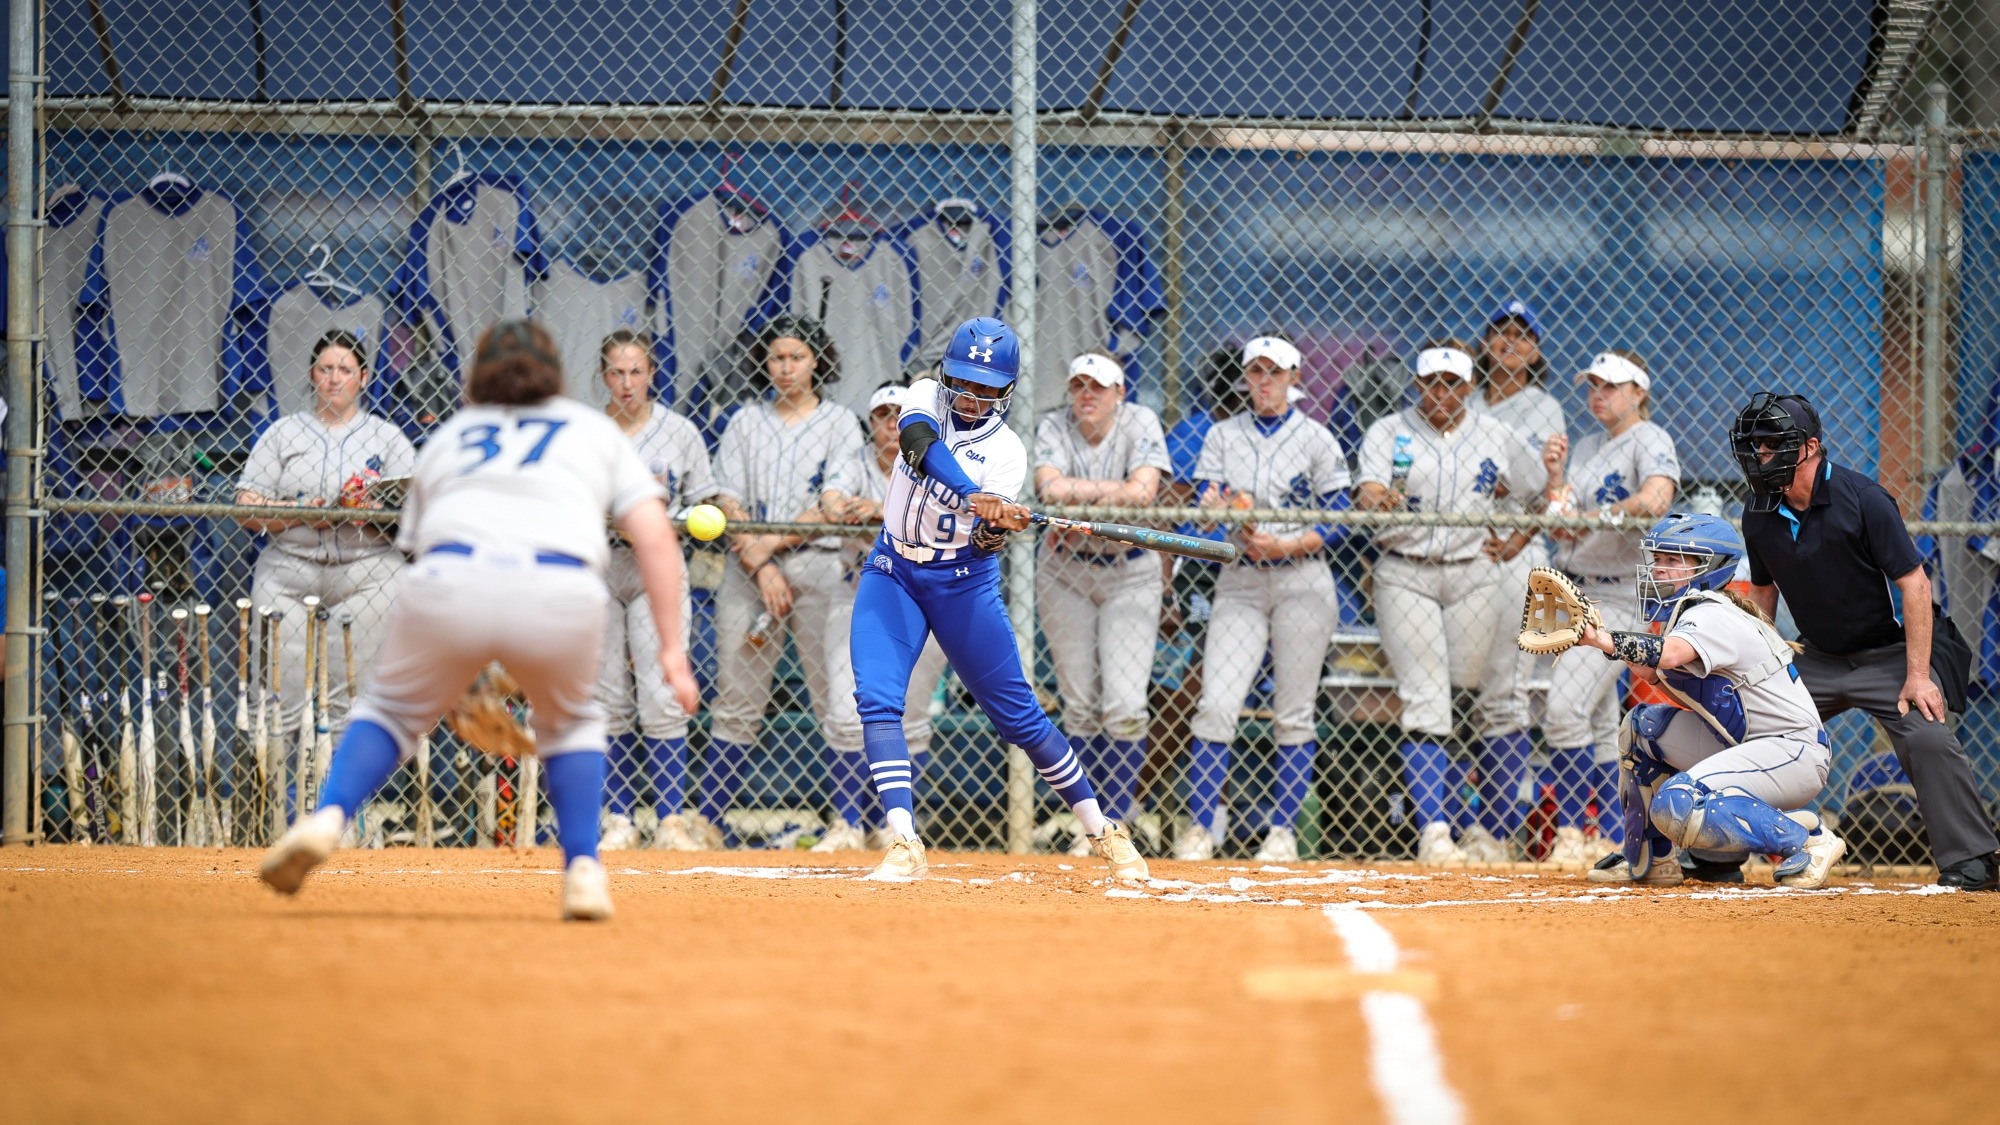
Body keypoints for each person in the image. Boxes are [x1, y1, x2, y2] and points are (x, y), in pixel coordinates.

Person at [259, 319, 701, 920]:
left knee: (391, 710)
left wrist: (462, 669)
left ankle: (328, 817)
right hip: (559, 584)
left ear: (479, 378)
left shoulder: (453, 437)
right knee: (571, 721)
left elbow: (422, 544)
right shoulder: (590, 430)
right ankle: (583, 869)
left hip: (450, 578)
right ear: (557, 376)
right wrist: (672, 651)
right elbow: (654, 536)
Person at [848, 316, 1149, 882]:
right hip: (893, 571)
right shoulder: (922, 396)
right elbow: (917, 445)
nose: (971, 395)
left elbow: (985, 542)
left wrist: (996, 523)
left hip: (961, 582)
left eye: (985, 388)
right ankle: (904, 840)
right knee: (877, 698)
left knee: (1020, 720)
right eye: (963, 381)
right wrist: (971, 494)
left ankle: (1102, 830)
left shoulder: (1007, 452)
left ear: (1006, 390)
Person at [1731, 392, 2000, 890]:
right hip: (1816, 655)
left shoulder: (1864, 499)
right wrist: (1759, 670)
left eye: (1773, 445)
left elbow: (1915, 586)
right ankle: (1711, 851)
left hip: (1887, 654)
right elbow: (1763, 592)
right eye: (1756, 446)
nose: (1760, 456)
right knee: (1742, 724)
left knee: (1927, 735)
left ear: (1810, 447)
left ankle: (1973, 861)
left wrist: (1918, 675)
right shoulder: (1760, 511)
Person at [1577, 512, 1846, 888]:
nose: (1659, 568)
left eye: (1674, 560)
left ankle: (1808, 837)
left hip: (1792, 752)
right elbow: (1658, 672)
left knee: (1677, 803)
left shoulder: (1711, 612)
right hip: (1744, 743)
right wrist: (1597, 636)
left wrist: (1601, 639)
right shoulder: (1689, 615)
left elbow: (1667, 655)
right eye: (1658, 558)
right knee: (1640, 728)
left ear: (1709, 567)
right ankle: (1654, 860)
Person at [1352, 341, 1540, 866]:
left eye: (1452, 383)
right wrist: (1379, 499)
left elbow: (1540, 492)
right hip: (1404, 571)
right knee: (1427, 699)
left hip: (1472, 574)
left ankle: (1487, 832)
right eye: (1432, 382)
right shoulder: (1389, 430)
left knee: (1474, 697)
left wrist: (1517, 541)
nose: (1441, 392)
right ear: (1417, 384)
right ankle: (1434, 832)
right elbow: (1366, 491)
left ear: (1469, 386)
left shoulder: (1494, 432)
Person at [1180, 336, 1351, 862]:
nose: (1265, 381)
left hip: (1303, 576)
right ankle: (1201, 829)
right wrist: (1216, 509)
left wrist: (1289, 543)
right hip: (1242, 579)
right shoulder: (1222, 434)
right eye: (1256, 371)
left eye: (1275, 371)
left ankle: (1282, 833)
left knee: (1293, 712)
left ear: (1294, 377)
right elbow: (1204, 507)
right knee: (1216, 704)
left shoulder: (1316, 437)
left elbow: (1340, 513)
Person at [706, 314, 867, 845]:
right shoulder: (744, 421)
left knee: (833, 700)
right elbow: (726, 499)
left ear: (817, 361)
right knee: (737, 697)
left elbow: (833, 507)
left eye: (797, 357)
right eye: (776, 357)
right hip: (748, 570)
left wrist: (767, 548)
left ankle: (850, 822)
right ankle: (709, 819)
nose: (786, 367)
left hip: (820, 564)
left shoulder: (841, 422)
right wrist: (761, 564)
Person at [235, 330, 416, 762]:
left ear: (364, 377)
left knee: (351, 702)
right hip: (290, 570)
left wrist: (372, 510)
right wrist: (298, 511)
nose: (335, 379)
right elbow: (246, 506)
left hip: (366, 572)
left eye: (346, 370)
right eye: (326, 369)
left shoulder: (386, 437)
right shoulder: (283, 432)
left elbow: (417, 509)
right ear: (312, 375)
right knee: (279, 701)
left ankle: (341, 798)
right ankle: (278, 796)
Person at [1537, 349, 1679, 867]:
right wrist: (1556, 477)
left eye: (1610, 386)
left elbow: (1656, 499)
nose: (1597, 395)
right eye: (1592, 385)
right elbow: (1560, 526)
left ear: (1638, 391)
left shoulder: (1650, 438)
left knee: (1562, 711)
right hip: (1572, 588)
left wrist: (1597, 517)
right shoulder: (1588, 445)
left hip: (1617, 593)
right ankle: (1604, 834)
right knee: (1595, 720)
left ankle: (1574, 829)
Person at [1032, 352, 1172, 854]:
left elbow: (1144, 493)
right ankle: (1090, 825)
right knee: (1080, 706)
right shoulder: (1054, 424)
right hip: (1065, 571)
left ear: (1120, 393)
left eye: (1098, 386)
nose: (1087, 394)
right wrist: (1115, 490)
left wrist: (1079, 495)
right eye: (1079, 385)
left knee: (1125, 705)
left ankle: (1118, 818)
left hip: (1129, 572)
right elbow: (1048, 489)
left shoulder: (1141, 421)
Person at [592, 329, 723, 852]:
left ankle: (670, 821)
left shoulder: (680, 431)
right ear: (603, 376)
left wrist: (669, 520)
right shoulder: (589, 432)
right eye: (616, 373)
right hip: (600, 564)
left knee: (661, 693)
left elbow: (705, 501)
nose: (627, 383)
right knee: (607, 694)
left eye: (636, 372)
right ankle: (620, 820)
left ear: (652, 374)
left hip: (658, 567)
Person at [813, 382, 952, 851]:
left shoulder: (937, 456)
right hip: (858, 591)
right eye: (881, 414)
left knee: (912, 715)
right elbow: (832, 500)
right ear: (870, 421)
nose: (892, 424)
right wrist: (844, 507)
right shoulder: (854, 461)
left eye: (899, 413)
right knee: (843, 712)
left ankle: (890, 824)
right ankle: (847, 823)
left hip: (924, 597)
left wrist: (877, 509)